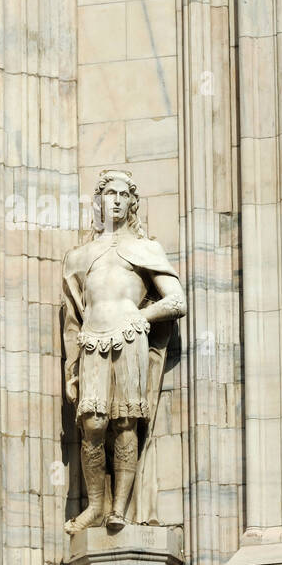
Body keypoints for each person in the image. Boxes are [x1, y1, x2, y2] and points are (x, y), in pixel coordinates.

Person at [62, 170, 186, 533]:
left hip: (129, 337)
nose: (115, 200)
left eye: (122, 194)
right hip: (92, 340)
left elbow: (177, 301)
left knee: (125, 421)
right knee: (93, 424)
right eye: (108, 193)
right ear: (98, 201)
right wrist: (71, 370)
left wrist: (140, 316)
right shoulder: (78, 255)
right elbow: (72, 320)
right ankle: (95, 505)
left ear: (132, 202)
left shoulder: (146, 249)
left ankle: (119, 506)